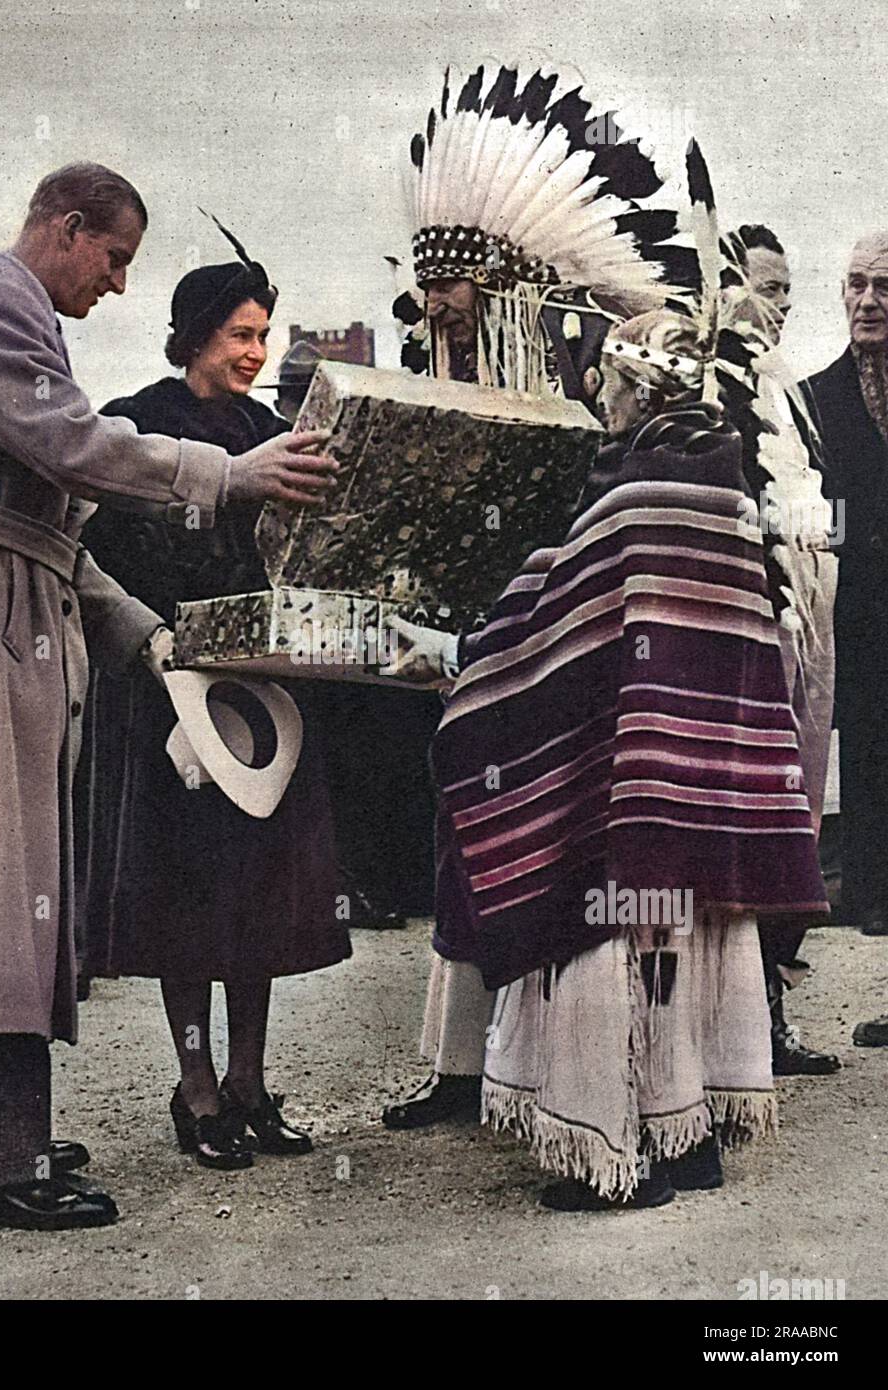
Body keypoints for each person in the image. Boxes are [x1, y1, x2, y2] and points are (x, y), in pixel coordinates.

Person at [0, 162, 336, 1231]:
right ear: (64, 226)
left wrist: (144, 642)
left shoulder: (11, 316)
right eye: (114, 258)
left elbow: (56, 522)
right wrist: (226, 474)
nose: (117, 285)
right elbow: (78, 451)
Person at [394, 310, 829, 1208]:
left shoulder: (632, 499)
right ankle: (687, 1137)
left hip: (626, 788)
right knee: (687, 948)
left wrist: (461, 655)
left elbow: (554, 625)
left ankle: (616, 1154)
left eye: (607, 381)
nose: (597, 393)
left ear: (633, 388)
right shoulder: (730, 494)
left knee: (611, 951)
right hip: (702, 789)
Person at [382, 61, 688, 1130]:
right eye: (424, 287)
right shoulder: (422, 375)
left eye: (454, 286)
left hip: (561, 636)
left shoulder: (575, 388)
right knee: (458, 832)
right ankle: (461, 1065)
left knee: (556, 838)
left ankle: (557, 1071)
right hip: (464, 636)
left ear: (500, 282)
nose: (435, 304)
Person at [76, 245, 351, 1169]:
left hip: (269, 693)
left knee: (261, 900)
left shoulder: (277, 428)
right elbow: (103, 558)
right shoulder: (135, 425)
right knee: (188, 903)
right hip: (173, 696)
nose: (256, 350)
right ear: (196, 333)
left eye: (265, 333)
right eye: (242, 332)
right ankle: (196, 1090)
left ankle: (249, 1083)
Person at [719, 224, 841, 1074]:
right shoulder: (710, 387)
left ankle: (772, 1009)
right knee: (749, 819)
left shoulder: (787, 390)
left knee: (796, 811)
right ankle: (740, 1024)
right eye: (769, 289)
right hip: (747, 626)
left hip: (810, 618)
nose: (782, 306)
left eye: (791, 292)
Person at [803, 233, 888, 940]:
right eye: (857, 284)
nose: (869, 300)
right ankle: (869, 889)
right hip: (856, 612)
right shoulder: (814, 402)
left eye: (885, 286)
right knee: (863, 749)